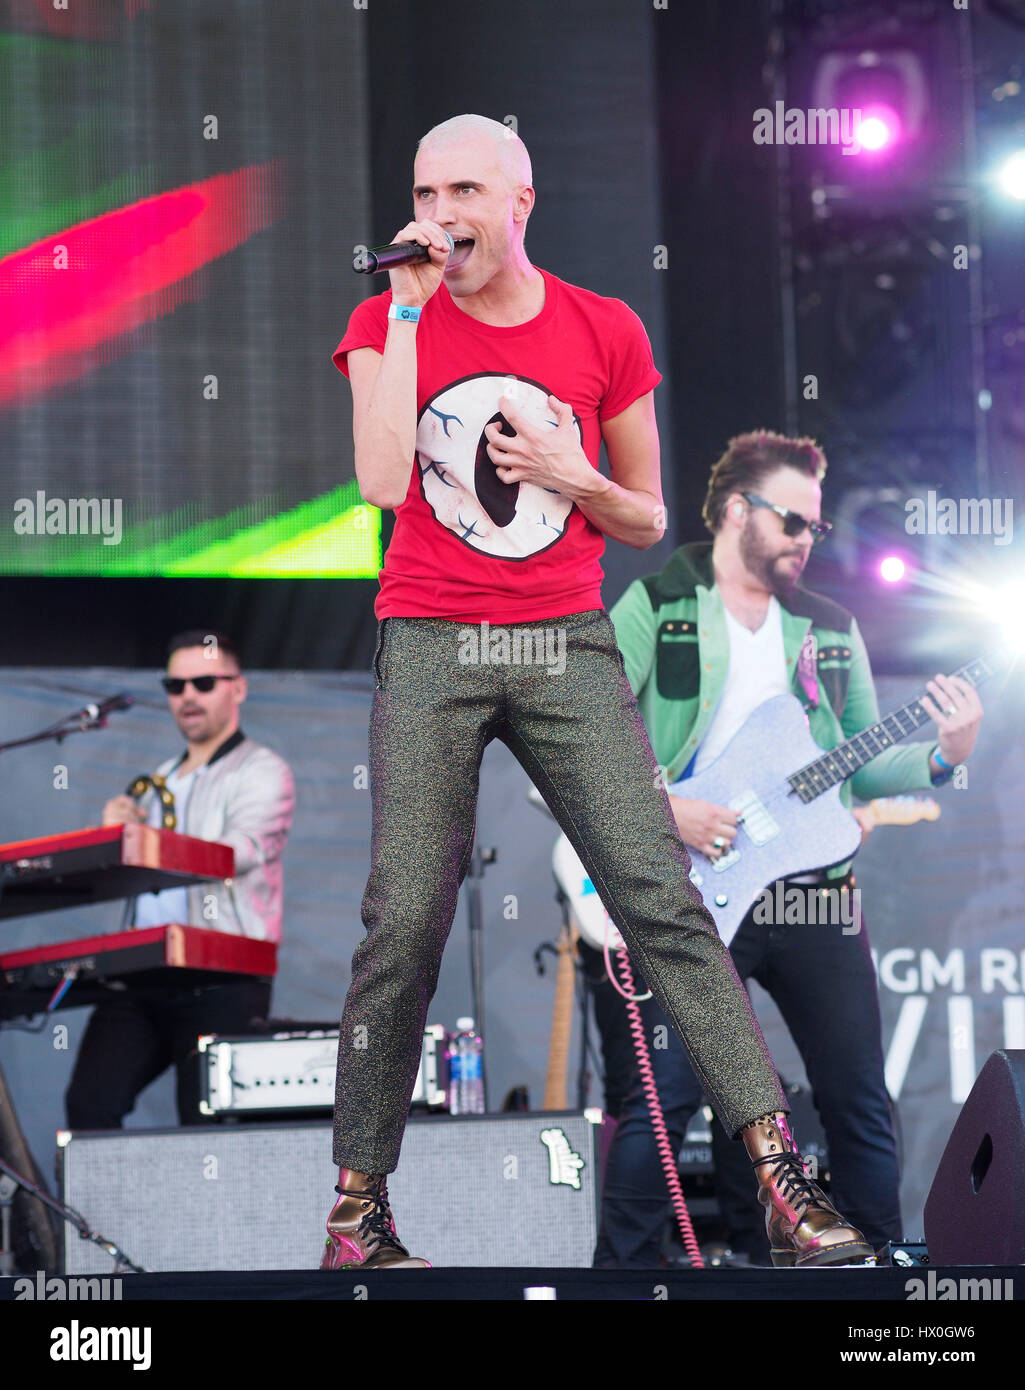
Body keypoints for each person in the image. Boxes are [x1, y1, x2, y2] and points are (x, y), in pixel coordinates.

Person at [322, 113, 874, 1272]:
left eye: (464, 188)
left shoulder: (601, 326)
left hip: (561, 640)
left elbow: (648, 515)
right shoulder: (387, 315)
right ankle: (357, 1209)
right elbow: (381, 478)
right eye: (425, 189)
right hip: (429, 636)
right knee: (406, 914)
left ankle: (778, 1176)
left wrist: (573, 475)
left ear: (519, 204)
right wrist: (413, 311)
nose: (438, 209)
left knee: (659, 899)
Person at [589, 430, 984, 1268]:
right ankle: (619, 1282)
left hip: (814, 889)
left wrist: (946, 753)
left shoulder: (829, 627)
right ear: (738, 511)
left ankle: (873, 1273)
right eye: (795, 522)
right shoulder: (657, 602)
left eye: (816, 528)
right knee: (667, 1098)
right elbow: (586, 736)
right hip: (689, 886)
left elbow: (865, 764)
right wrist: (670, 807)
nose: (809, 540)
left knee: (856, 1096)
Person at [65, 630, 296, 1129]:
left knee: (206, 1127)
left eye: (204, 682)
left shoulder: (263, 770)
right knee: (89, 1106)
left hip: (221, 979)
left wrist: (143, 841)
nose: (188, 696)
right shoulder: (157, 780)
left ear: (238, 688)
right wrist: (113, 841)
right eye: (176, 685)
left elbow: (241, 852)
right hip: (142, 972)